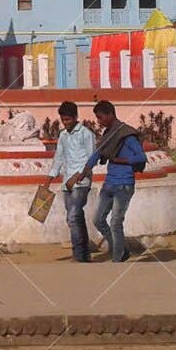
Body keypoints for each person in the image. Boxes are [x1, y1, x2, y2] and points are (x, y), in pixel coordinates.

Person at [66, 101, 145, 263]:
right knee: (98, 220)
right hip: (109, 183)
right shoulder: (108, 135)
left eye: (100, 117)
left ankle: (117, 259)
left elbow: (141, 157)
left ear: (110, 114)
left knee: (116, 222)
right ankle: (121, 250)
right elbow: (96, 155)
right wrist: (82, 174)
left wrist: (123, 160)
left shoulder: (126, 135)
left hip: (124, 184)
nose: (99, 121)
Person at [43, 101, 96, 263]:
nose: (65, 123)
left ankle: (78, 254)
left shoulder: (86, 134)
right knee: (75, 217)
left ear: (75, 117)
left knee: (73, 216)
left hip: (81, 182)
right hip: (67, 183)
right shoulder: (63, 136)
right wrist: (49, 179)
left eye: (68, 120)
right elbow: (58, 158)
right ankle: (84, 253)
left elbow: (91, 159)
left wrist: (77, 176)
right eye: (63, 120)